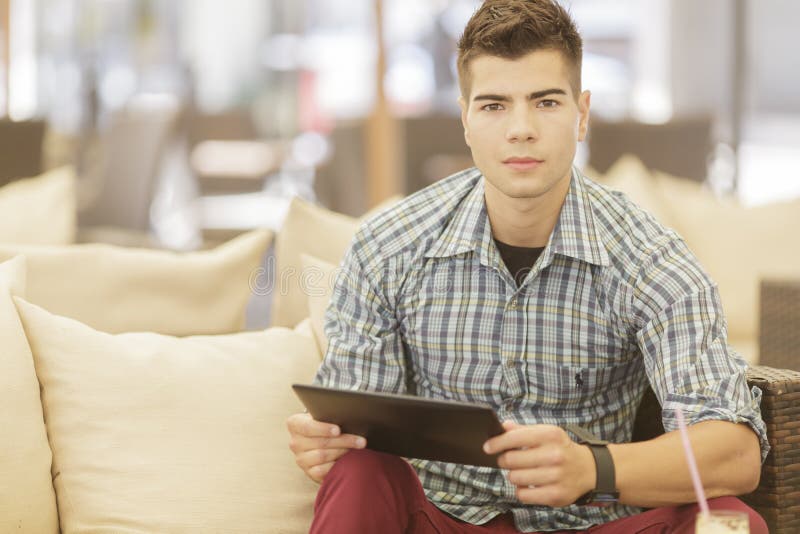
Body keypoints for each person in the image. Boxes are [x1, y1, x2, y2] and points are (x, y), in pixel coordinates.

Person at [286, 1, 769, 532]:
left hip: (590, 519)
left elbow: (737, 452)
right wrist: (327, 447)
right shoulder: (386, 246)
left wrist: (592, 466)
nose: (521, 129)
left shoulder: (651, 258)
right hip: (441, 517)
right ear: (465, 118)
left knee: (728, 519)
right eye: (494, 105)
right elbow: (357, 438)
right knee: (358, 469)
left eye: (545, 102)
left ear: (581, 114)